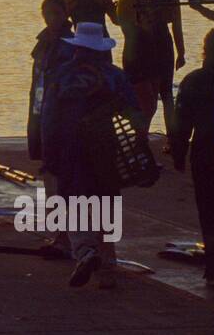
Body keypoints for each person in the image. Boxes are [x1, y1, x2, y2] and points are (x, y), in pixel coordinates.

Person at [40, 22, 144, 289]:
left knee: (73, 200)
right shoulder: (114, 76)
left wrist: (47, 151)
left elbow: (48, 117)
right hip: (103, 144)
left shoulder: (58, 75)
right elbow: (135, 114)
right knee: (105, 200)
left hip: (69, 143)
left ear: (76, 47)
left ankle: (86, 251)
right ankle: (108, 262)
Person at [171, 28, 214, 288]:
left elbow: (181, 123)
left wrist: (178, 153)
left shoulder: (193, 81)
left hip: (203, 151)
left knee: (209, 210)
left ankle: (213, 268)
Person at [115, 0, 184, 136]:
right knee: (147, 103)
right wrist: (152, 15)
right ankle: (139, 140)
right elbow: (133, 28)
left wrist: (181, 52)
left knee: (156, 100)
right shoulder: (125, 1)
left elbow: (174, 23)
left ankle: (156, 139)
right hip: (136, 56)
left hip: (154, 55)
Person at [27, 0, 73, 162]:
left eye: (57, 13)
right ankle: (44, 185)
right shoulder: (43, 40)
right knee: (40, 150)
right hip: (40, 98)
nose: (52, 18)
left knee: (60, 151)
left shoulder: (71, 42)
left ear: (65, 14)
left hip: (61, 102)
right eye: (48, 14)